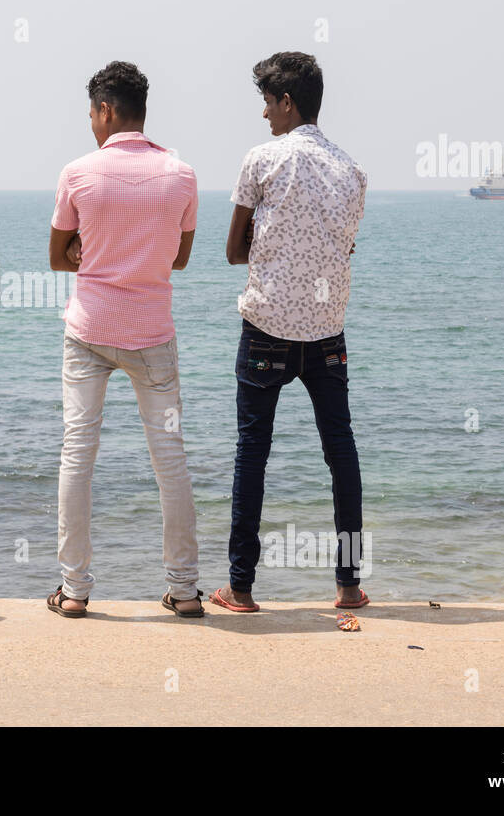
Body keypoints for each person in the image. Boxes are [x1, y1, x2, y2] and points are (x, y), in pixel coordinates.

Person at [211, 52, 369, 614]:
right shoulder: (352, 171)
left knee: (252, 454)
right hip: (327, 334)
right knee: (341, 453)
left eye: (267, 102)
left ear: (287, 103)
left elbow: (233, 250)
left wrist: (269, 249)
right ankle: (348, 587)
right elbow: (343, 248)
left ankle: (241, 589)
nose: (263, 114)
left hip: (265, 331)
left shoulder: (262, 160)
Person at [47, 61, 203, 618]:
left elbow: (56, 255)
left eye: (92, 112)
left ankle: (75, 589)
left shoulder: (78, 173)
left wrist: (98, 255)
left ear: (106, 110)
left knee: (77, 453)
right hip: (152, 334)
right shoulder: (181, 175)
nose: (90, 122)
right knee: (170, 459)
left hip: (89, 331)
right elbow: (179, 260)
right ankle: (185, 590)